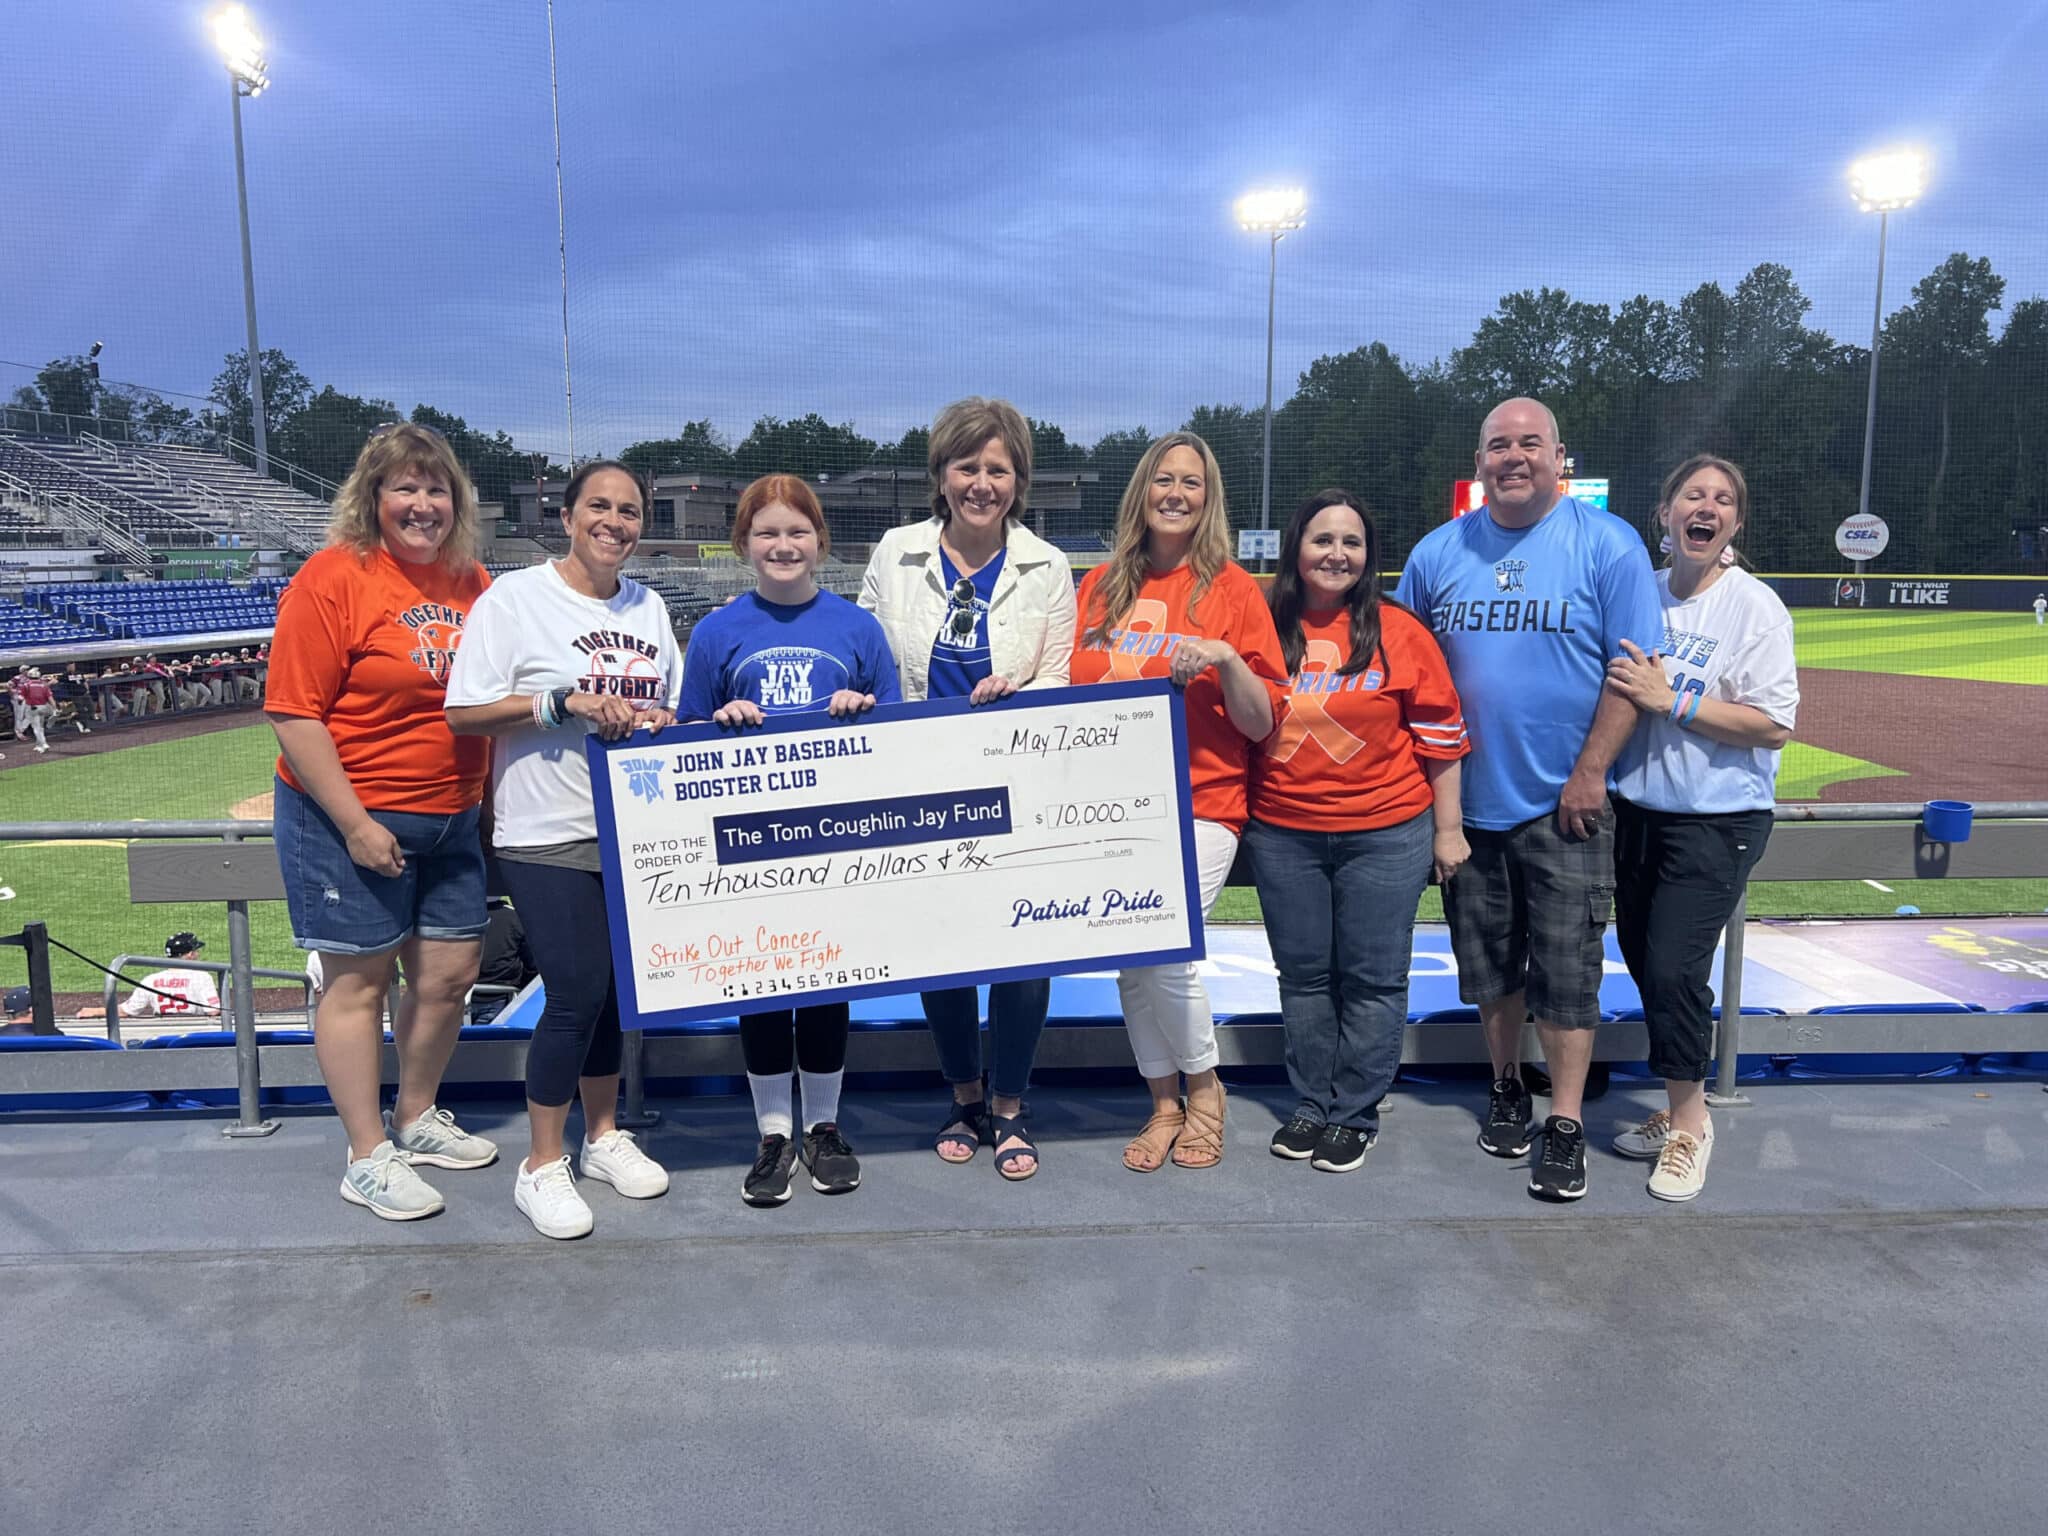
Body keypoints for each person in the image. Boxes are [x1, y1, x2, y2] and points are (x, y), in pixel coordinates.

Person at [1395, 397, 1663, 1201]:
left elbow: (1632, 672)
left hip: (1568, 805)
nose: (1514, 457)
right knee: (1491, 973)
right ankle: (1508, 1084)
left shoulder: (1606, 544)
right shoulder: (1439, 552)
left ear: (1560, 457)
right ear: (1479, 462)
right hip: (1467, 811)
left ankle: (1566, 1121)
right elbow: (1405, 674)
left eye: (1530, 444)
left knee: (1570, 975)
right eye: (1498, 446)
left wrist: (1589, 773)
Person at [265, 422, 498, 1223]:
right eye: (405, 488)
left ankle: (415, 1115)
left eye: (437, 489)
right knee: (358, 982)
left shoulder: (476, 583)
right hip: (348, 814)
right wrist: (356, 823)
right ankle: (366, 1154)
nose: (423, 504)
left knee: (448, 977)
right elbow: (295, 714)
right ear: (374, 497)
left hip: (451, 817)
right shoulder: (334, 577)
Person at [447, 459, 682, 1239]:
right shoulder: (515, 598)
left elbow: (668, 705)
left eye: (628, 511)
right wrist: (562, 702)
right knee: (576, 990)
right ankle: (541, 1161)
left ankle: (603, 1134)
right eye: (600, 507)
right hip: (543, 831)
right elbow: (466, 711)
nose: (614, 523)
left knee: (615, 993)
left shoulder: (648, 607)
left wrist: (657, 721)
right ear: (569, 514)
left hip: (629, 828)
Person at [858, 397, 1076, 1181]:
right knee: (941, 951)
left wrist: (1017, 688)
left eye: (998, 469)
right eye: (967, 467)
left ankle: (1011, 1106)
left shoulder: (1049, 566)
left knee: (1024, 952)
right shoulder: (895, 552)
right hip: (921, 784)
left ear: (1018, 480)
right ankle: (964, 1096)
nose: (982, 483)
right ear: (941, 476)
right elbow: (869, 660)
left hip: (1015, 783)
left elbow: (1059, 680)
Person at [680, 472, 899, 1207]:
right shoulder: (715, 633)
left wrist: (859, 710)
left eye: (797, 531)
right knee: (765, 982)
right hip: (750, 843)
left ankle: (826, 1127)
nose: (783, 544)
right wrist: (721, 722)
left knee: (829, 981)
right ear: (743, 544)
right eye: (767, 532)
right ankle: (773, 1133)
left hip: (835, 841)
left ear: (820, 542)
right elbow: (681, 741)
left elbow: (903, 739)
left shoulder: (858, 629)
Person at [1070, 432, 1287, 1172]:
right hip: (1110, 803)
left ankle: (1206, 1089)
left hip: (1201, 798)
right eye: (1163, 479)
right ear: (1142, 490)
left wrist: (1226, 659)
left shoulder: (1232, 590)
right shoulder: (1098, 586)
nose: (1175, 493)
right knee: (1131, 963)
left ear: (1208, 497)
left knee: (1165, 952)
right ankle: (1162, 1102)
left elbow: (1260, 723)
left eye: (1192, 483)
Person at [1249, 490, 1471, 1173]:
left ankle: (1355, 1111)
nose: (1336, 554)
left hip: (1386, 831)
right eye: (1322, 539)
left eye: (1351, 541)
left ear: (1369, 556)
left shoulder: (1400, 631)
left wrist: (1448, 830)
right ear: (1296, 548)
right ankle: (1313, 1102)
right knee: (1305, 977)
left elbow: (1441, 738)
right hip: (1283, 832)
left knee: (1373, 978)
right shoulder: (1261, 623)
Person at [1605, 455, 1797, 1201]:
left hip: (1718, 820)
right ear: (1665, 512)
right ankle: (1675, 1103)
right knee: (1640, 956)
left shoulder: (1754, 607)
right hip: (1639, 811)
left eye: (1722, 500)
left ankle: (1692, 1123)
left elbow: (1773, 725)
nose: (1705, 507)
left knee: (1674, 970)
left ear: (1735, 525)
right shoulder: (1643, 594)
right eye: (1693, 494)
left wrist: (1671, 702)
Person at [78, 932, 224, 1022]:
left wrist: (94, 1011)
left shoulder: (151, 980)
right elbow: (213, 1011)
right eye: (196, 951)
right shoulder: (202, 977)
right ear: (190, 954)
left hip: (162, 1036)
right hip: (192, 1035)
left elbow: (126, 1011)